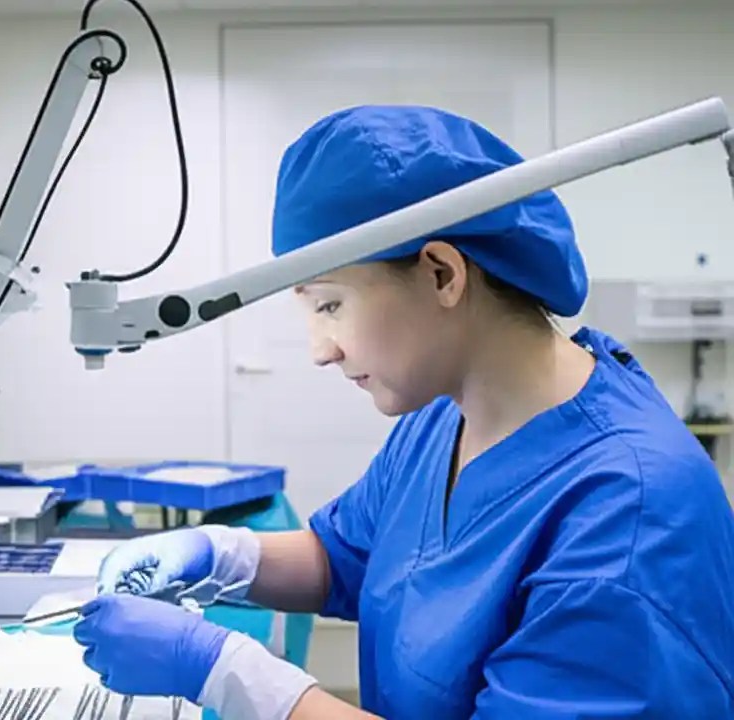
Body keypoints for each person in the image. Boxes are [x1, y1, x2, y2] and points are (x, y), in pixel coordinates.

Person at [72, 105, 734, 719]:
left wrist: (227, 671)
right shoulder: (443, 418)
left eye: (330, 305)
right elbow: (348, 556)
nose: (319, 351)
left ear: (442, 273)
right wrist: (220, 555)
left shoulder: (629, 514)